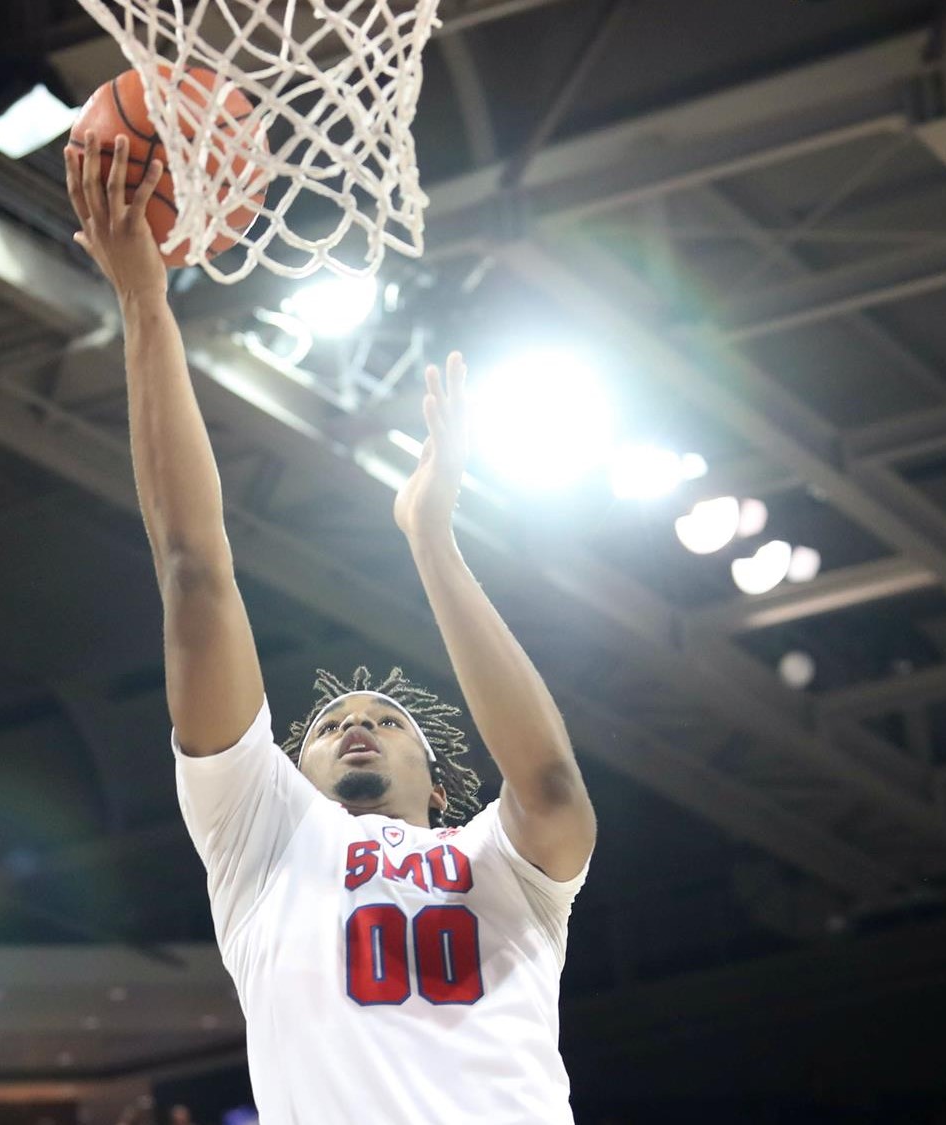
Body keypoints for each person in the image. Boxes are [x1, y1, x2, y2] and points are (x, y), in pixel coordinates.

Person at [65, 135, 598, 1123]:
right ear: (288, 771)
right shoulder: (263, 836)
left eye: (387, 722)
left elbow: (553, 789)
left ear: (441, 790)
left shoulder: (498, 867)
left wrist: (431, 541)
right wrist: (145, 307)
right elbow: (194, 573)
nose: (356, 726)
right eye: (326, 727)